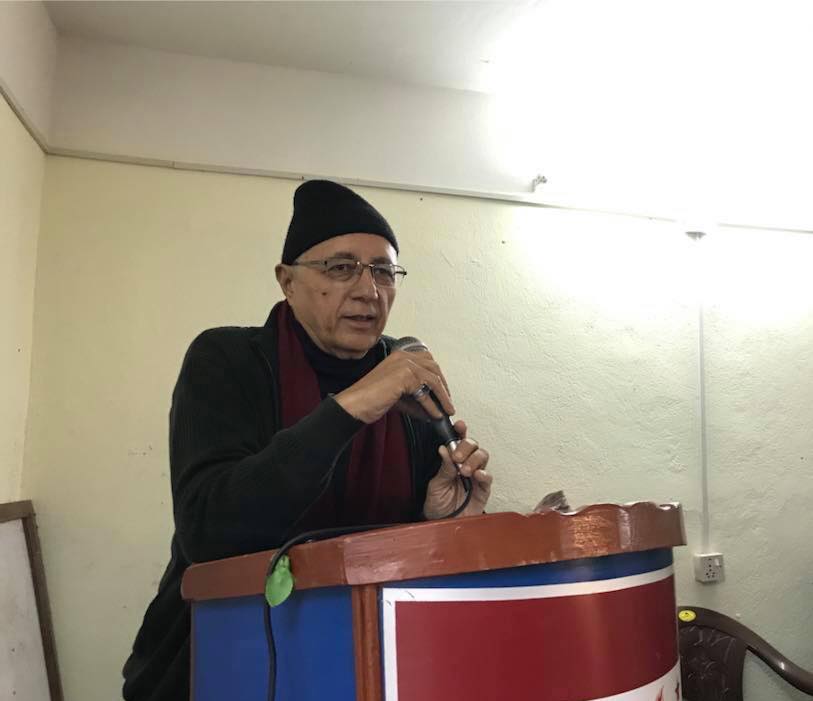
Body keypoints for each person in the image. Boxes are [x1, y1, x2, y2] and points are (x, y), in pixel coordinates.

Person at [122, 180, 492, 700]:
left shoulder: (407, 384)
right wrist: (352, 406)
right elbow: (208, 531)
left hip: (363, 663)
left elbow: (399, 565)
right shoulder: (227, 360)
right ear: (287, 281)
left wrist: (440, 522)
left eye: (383, 271)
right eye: (340, 268)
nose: (368, 291)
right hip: (220, 657)